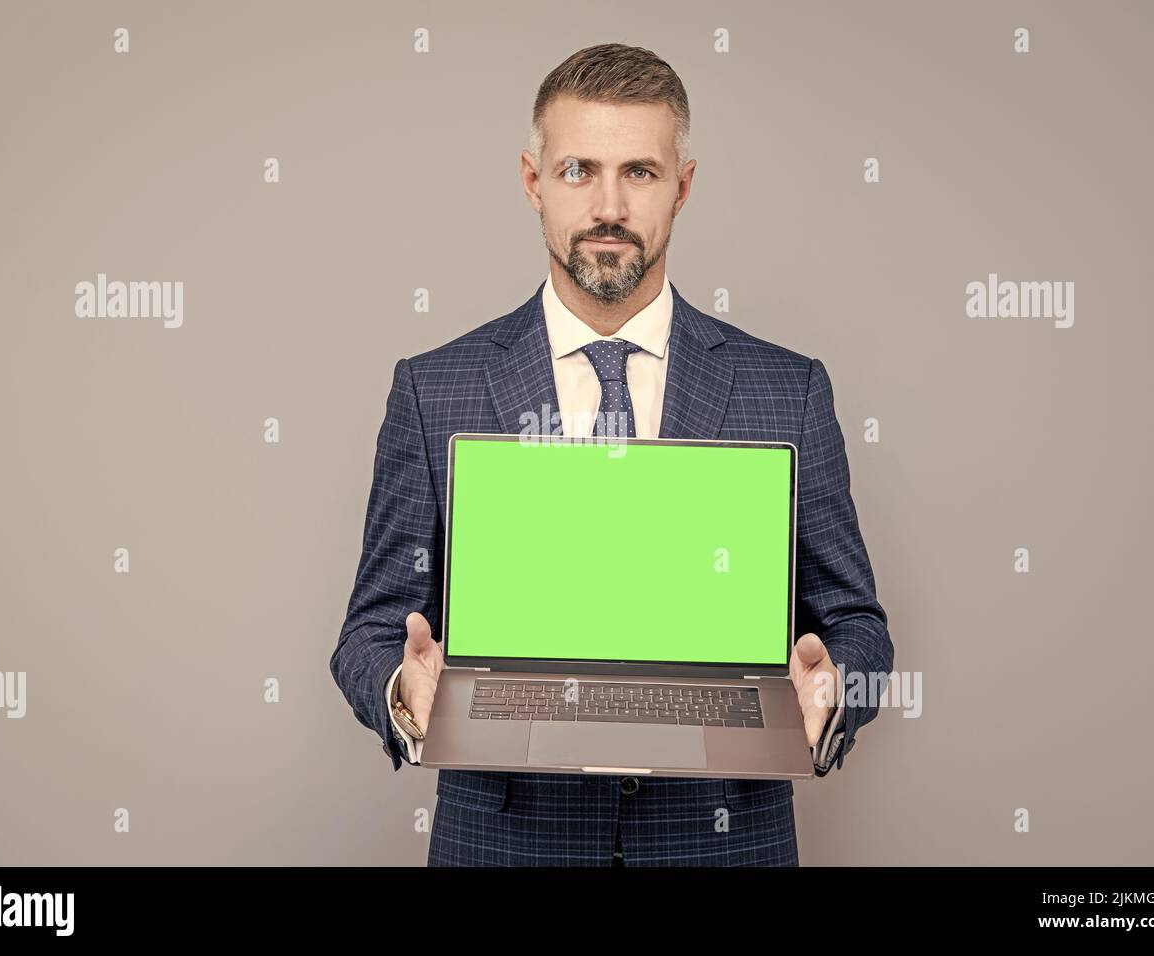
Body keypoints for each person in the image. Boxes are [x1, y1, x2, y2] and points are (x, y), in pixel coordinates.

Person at [330, 42, 893, 866]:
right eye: (578, 171)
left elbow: (856, 624)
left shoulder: (788, 389)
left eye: (639, 172)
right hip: (508, 843)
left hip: (721, 843)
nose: (608, 206)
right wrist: (404, 690)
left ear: (683, 186)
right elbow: (369, 631)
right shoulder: (432, 389)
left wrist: (834, 685)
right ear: (532, 181)